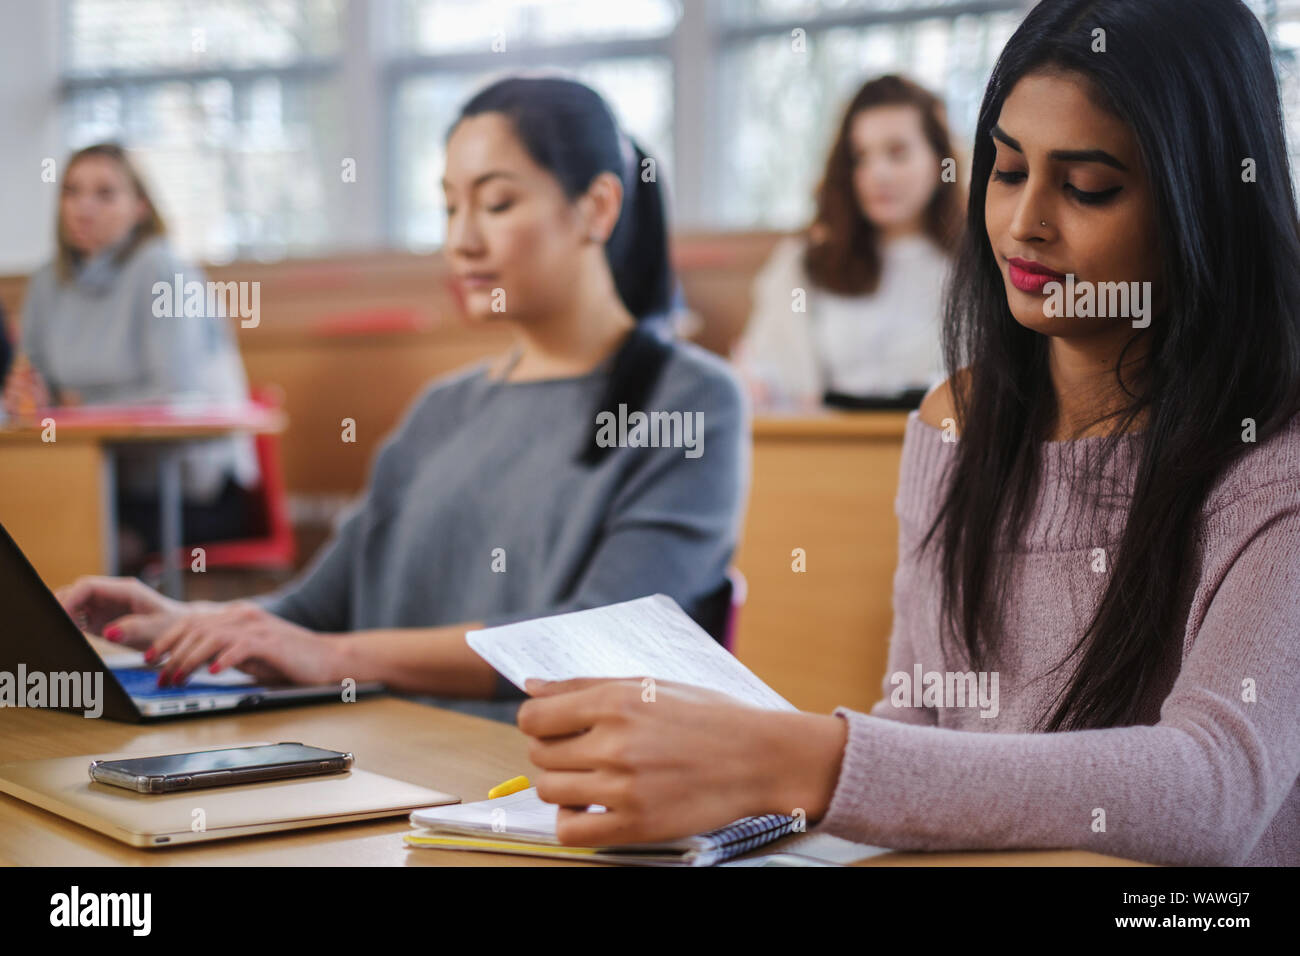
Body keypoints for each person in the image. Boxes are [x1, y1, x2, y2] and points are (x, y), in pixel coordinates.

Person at [513, 0, 1300, 866]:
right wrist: (748, 801)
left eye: (1088, 188)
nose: (1025, 224)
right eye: (1006, 170)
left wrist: (802, 757)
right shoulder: (954, 420)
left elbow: (1214, 785)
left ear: (1208, 200)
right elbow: (918, 722)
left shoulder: (1274, 453)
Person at [58, 76, 749, 724]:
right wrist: (187, 625)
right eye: (450, 206)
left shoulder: (691, 400)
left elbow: (597, 641)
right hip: (380, 777)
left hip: (539, 803)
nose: (460, 240)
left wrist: (339, 658)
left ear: (597, 207)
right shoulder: (443, 409)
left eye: (497, 202)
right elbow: (316, 611)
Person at [2, 143, 259, 562]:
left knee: (81, 543)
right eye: (72, 191)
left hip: (186, 492)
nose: (84, 207)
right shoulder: (47, 283)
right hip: (89, 479)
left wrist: (75, 408)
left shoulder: (164, 271)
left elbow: (177, 395)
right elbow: (37, 385)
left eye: (105, 194)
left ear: (139, 206)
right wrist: (28, 398)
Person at [734, 75, 962, 410]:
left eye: (897, 153)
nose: (877, 173)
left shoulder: (975, 266)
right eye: (860, 157)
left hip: (939, 450)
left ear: (939, 159)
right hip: (827, 453)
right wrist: (749, 377)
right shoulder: (804, 264)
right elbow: (767, 373)